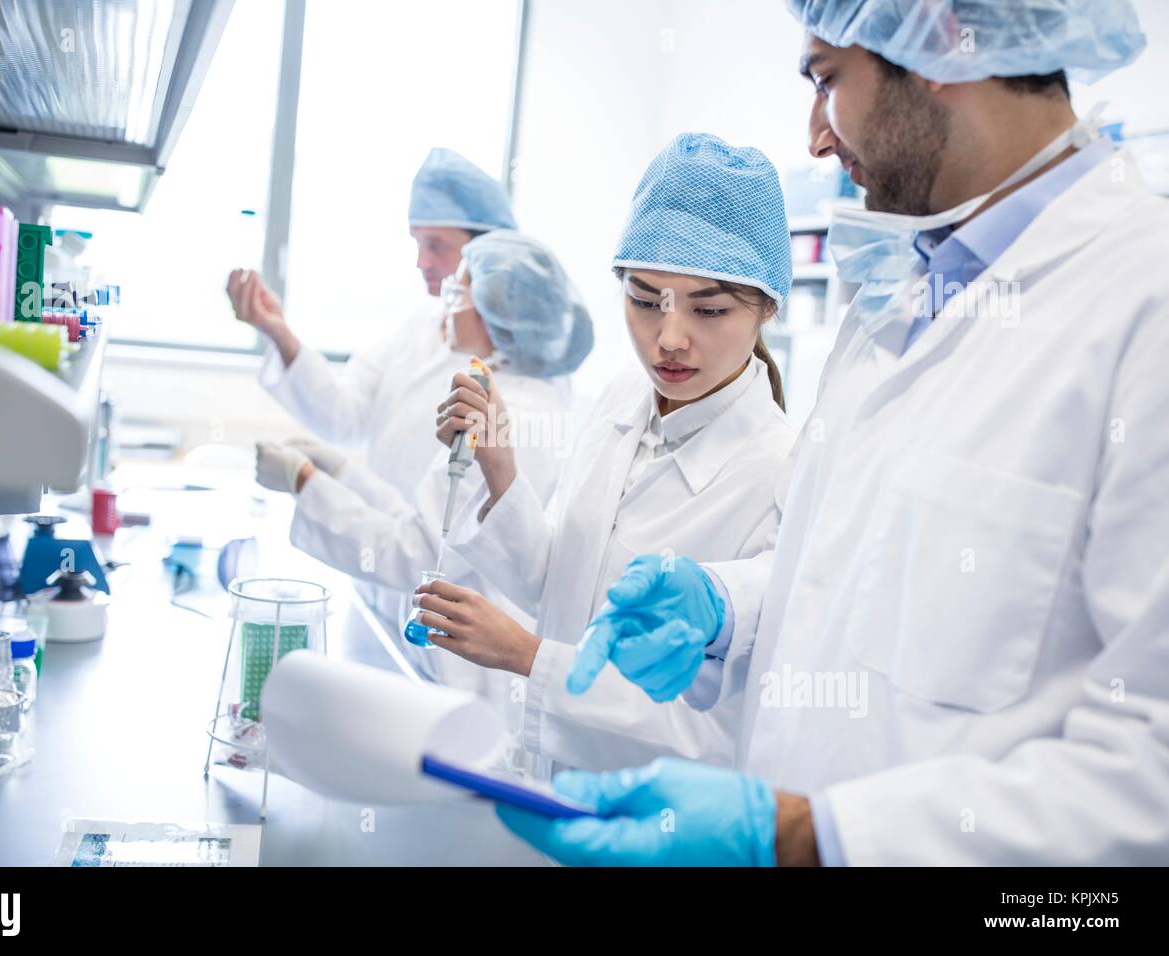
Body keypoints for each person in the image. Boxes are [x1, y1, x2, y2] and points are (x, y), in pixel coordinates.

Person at [497, 0, 1169, 866]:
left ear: (940, 43)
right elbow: (861, 576)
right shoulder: (897, 298)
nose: (816, 137)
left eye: (827, 79)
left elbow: (1149, 772)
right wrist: (728, 611)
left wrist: (812, 837)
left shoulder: (1142, 311)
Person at [410, 135, 796, 773]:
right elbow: (558, 581)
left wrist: (530, 658)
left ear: (766, 310)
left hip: (648, 823)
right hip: (546, 780)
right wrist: (500, 465)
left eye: (709, 309)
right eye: (645, 301)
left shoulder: (779, 472)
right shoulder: (623, 400)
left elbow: (717, 734)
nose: (669, 340)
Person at [254, 231, 592, 768]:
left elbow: (416, 554)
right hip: (437, 660)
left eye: (458, 297)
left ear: (495, 316)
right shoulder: (498, 386)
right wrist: (341, 472)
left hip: (465, 679)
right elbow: (431, 522)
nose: (446, 309)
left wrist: (305, 485)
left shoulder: (519, 414)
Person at [225, 147, 517, 503]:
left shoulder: (519, 367)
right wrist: (278, 332)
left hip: (438, 553)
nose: (421, 262)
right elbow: (344, 417)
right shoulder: (419, 326)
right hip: (378, 536)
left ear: (488, 250)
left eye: (437, 246)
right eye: (417, 243)